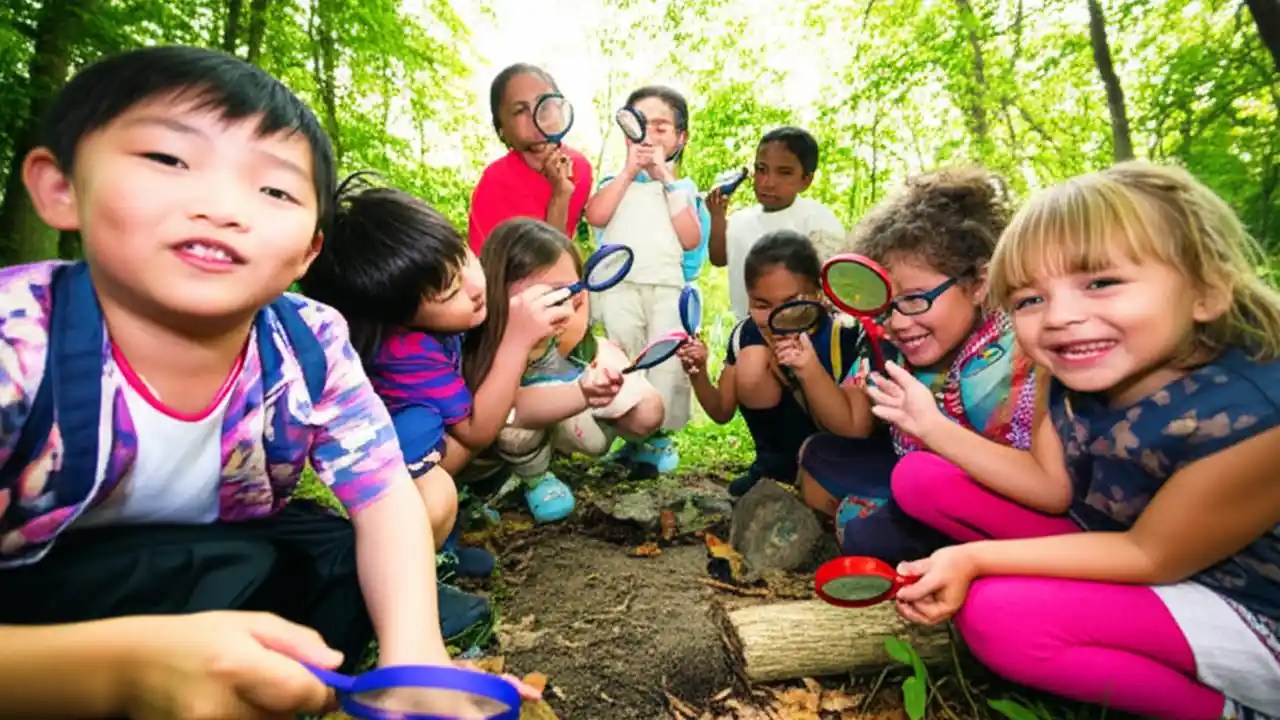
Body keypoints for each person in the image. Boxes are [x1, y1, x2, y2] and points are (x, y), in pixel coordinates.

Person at [0, 46, 535, 716]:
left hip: (206, 559)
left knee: (344, 560)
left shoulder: (308, 341)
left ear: (310, 248)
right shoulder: (19, 345)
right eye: (169, 160)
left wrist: (415, 657)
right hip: (33, 591)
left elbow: (383, 495)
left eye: (274, 189)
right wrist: (129, 667)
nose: (224, 206)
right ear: (62, 187)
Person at [880, 162, 1280, 719]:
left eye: (1101, 282)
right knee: (920, 476)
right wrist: (930, 427)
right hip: (1125, 541)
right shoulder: (1065, 368)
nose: (1062, 317)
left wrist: (974, 558)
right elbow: (1051, 488)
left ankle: (1233, 711)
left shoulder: (1257, 415)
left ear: (1205, 292)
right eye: (1029, 300)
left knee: (998, 617)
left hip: (1242, 603)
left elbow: (1152, 556)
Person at [299, 174, 573, 631]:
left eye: (463, 256)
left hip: (417, 444)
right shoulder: (407, 350)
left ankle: (440, 547)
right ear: (400, 315)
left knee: (437, 442)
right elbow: (478, 430)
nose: (472, 284)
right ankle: (408, 586)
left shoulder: (445, 318)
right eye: (448, 291)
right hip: (389, 474)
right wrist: (517, 342)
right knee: (434, 483)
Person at [798, 168, 1040, 567]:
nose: (898, 322)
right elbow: (858, 421)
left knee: (871, 534)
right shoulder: (894, 348)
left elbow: (1032, 485)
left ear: (979, 283)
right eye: (885, 305)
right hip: (918, 469)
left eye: (915, 299)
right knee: (818, 455)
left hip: (992, 494)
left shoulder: (1006, 362)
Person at [462, 218, 664, 523]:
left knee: (642, 410)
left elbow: (593, 358)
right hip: (488, 447)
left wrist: (593, 384)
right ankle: (531, 479)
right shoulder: (474, 338)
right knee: (513, 429)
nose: (565, 306)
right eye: (551, 293)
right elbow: (506, 413)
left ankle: (631, 447)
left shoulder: (567, 331)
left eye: (571, 293)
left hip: (556, 409)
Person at [678, 230, 871, 497]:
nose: (778, 316)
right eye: (762, 304)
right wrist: (698, 372)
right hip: (775, 472)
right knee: (753, 361)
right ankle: (772, 468)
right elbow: (722, 411)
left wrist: (805, 371)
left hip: (837, 458)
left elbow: (856, 429)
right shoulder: (745, 334)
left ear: (817, 293)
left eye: (791, 302)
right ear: (748, 300)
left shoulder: (844, 334)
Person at [585, 85, 703, 478]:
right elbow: (596, 217)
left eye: (661, 128)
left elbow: (690, 239)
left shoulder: (683, 189)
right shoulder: (611, 181)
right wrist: (629, 172)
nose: (649, 137)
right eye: (640, 126)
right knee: (626, 356)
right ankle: (633, 435)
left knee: (666, 362)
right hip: (619, 285)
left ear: (680, 138)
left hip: (666, 287)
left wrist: (666, 180)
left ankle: (661, 437)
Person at [707, 126, 845, 322]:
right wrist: (717, 216)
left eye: (784, 172)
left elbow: (831, 285)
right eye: (761, 170)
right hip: (748, 329)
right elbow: (719, 258)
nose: (768, 182)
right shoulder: (741, 220)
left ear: (806, 180)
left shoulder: (818, 221)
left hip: (801, 332)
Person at [467, 63, 593, 253]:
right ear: (502, 132)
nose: (536, 119)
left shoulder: (580, 168)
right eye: (520, 111)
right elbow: (541, 266)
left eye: (545, 105)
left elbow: (562, 254)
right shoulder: (494, 184)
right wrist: (560, 197)